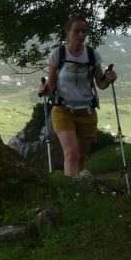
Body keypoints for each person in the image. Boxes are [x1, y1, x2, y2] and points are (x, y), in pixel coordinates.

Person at [38, 15, 117, 177]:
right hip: (63, 110)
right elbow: (51, 85)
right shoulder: (57, 54)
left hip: (87, 111)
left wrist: (109, 79)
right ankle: (71, 191)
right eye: (77, 31)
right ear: (68, 32)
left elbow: (101, 84)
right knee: (72, 154)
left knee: (80, 157)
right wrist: (45, 90)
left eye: (84, 31)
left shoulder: (91, 54)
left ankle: (79, 192)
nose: (81, 35)